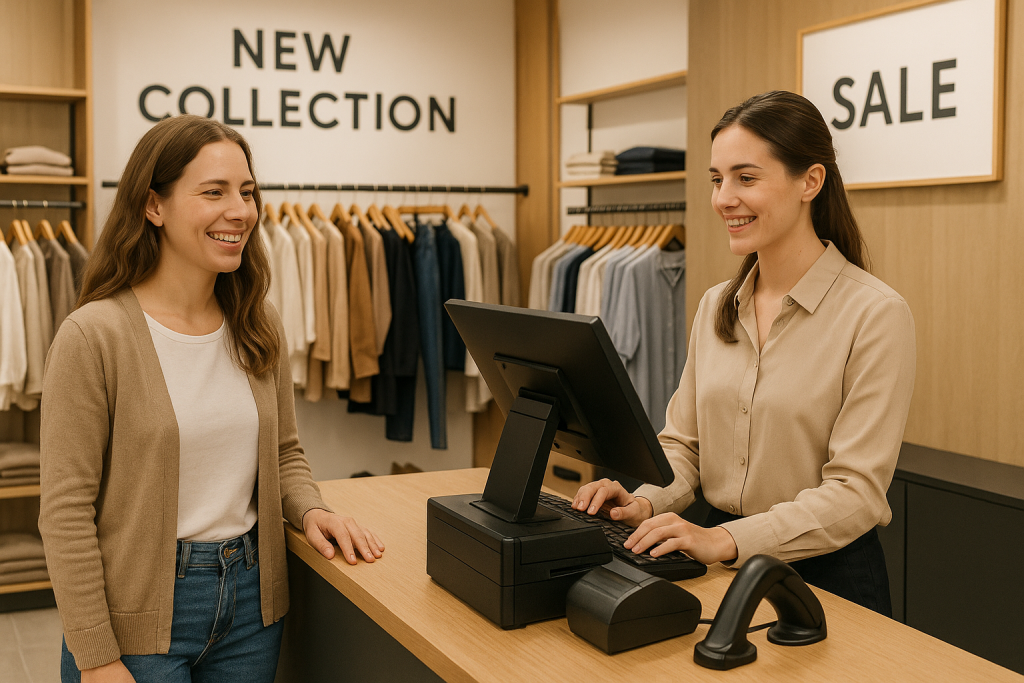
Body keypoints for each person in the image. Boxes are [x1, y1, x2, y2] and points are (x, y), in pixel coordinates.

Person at [38, 114, 385, 683]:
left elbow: (284, 455)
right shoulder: (93, 336)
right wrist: (96, 656)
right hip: (137, 619)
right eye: (214, 192)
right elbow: (65, 513)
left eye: (247, 192)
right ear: (154, 205)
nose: (240, 210)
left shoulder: (256, 322)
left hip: (251, 609)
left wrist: (312, 509)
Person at [573, 91, 916, 616]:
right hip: (710, 559)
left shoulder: (875, 314)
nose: (723, 198)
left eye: (746, 178)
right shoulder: (717, 305)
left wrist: (727, 540)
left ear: (811, 182)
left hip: (823, 580)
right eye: (717, 179)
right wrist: (643, 501)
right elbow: (685, 446)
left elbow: (856, 493)